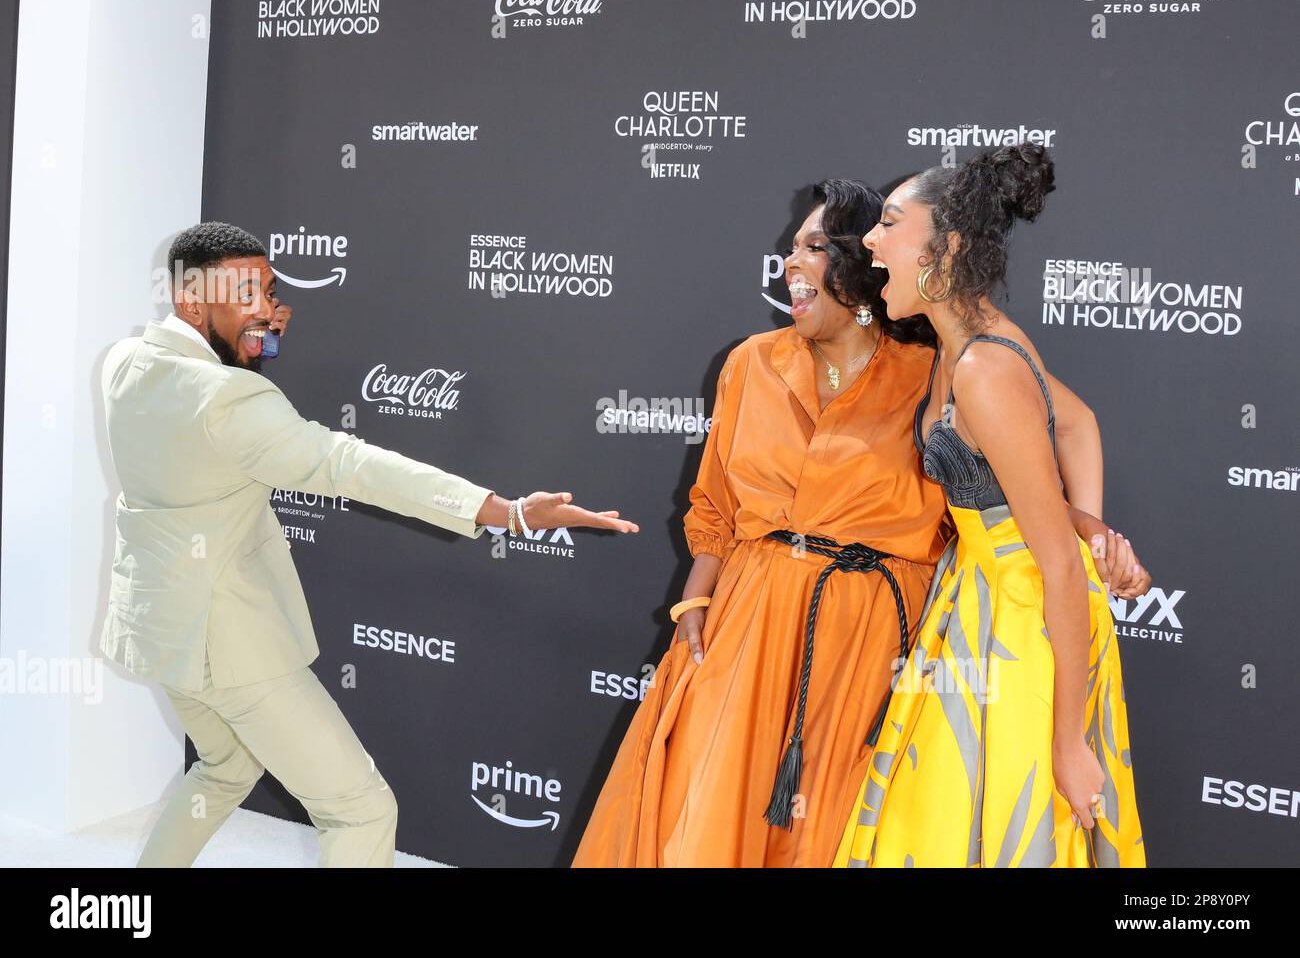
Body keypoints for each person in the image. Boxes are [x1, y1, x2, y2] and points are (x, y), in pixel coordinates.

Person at [573, 181, 1144, 867]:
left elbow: (1018, 484)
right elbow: (715, 504)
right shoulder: (750, 364)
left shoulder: (939, 369)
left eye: (814, 247)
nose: (790, 264)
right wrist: (698, 595)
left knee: (841, 835)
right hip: (747, 629)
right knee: (707, 830)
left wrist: (1089, 529)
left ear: (857, 267)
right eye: (791, 249)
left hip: (877, 641)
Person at [102, 221, 637, 867]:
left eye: (271, 293)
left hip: (162, 632)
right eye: (249, 293)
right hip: (230, 646)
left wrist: (248, 335)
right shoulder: (230, 398)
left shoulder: (125, 363)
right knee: (359, 809)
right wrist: (507, 512)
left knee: (221, 770)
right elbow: (348, 465)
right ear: (192, 300)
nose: (270, 310)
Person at [835, 144, 1146, 868]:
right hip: (977, 603)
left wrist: (1068, 745)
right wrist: (1092, 523)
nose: (872, 242)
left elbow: (1061, 573)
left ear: (944, 246)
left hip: (1026, 629)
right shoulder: (966, 345)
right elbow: (1074, 424)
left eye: (888, 223)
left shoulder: (982, 366)